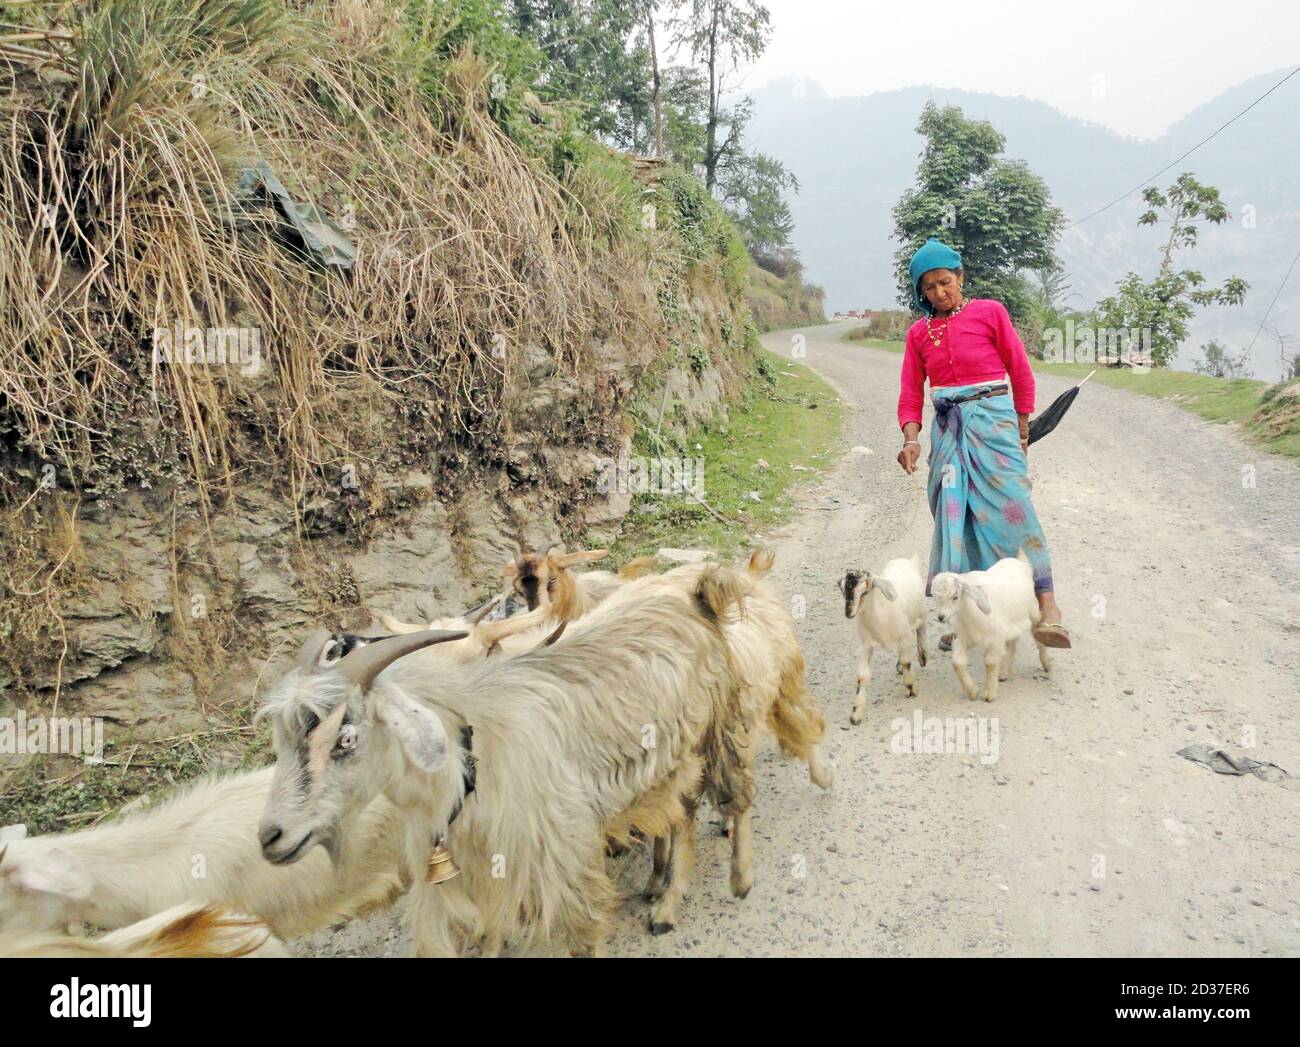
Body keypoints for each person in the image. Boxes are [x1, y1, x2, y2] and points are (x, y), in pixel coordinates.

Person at [896, 238, 1071, 650]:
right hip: (948, 436)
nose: (939, 293)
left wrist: (1022, 431)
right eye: (929, 287)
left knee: (1016, 507)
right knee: (959, 519)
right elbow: (909, 392)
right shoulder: (918, 334)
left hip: (994, 426)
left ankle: (1048, 606)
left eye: (945, 282)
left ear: (960, 276)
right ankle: (965, 615)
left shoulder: (990, 312)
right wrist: (911, 439)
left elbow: (1020, 371)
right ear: (921, 292)